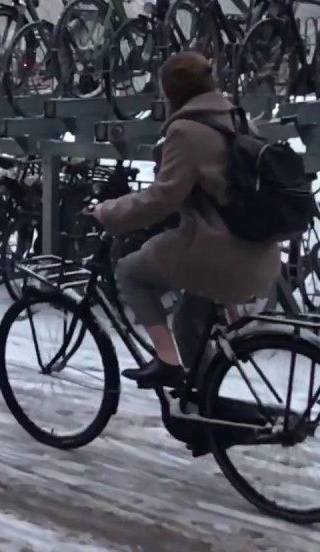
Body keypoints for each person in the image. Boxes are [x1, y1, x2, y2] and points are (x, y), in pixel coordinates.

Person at [91, 51, 280, 389]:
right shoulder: (240, 120)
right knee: (188, 322)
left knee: (131, 272)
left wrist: (109, 212)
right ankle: (205, 405)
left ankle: (166, 362)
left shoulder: (186, 129)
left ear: (172, 93)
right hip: (259, 252)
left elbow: (163, 197)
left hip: (217, 253)